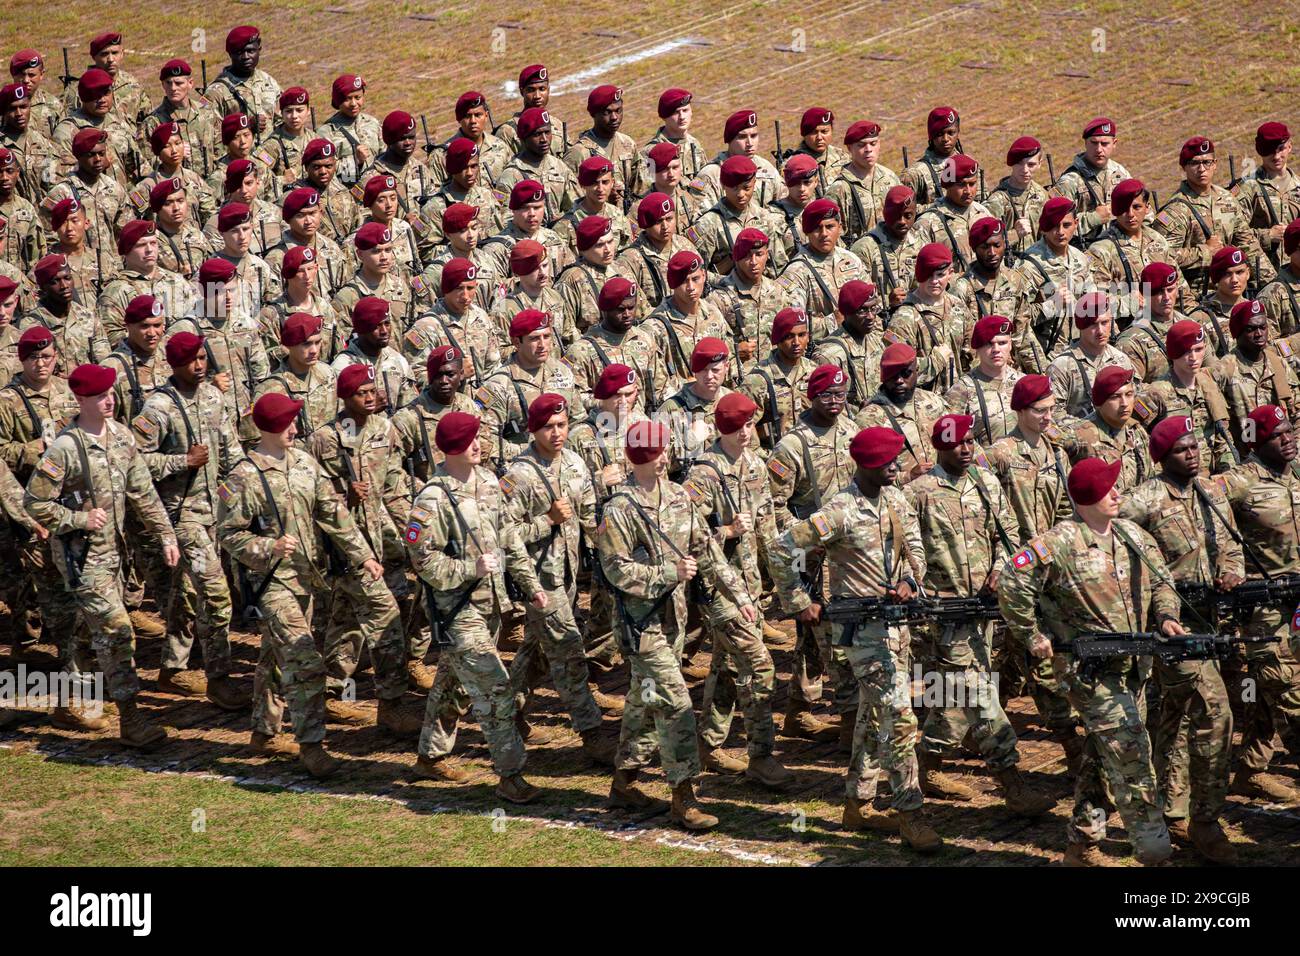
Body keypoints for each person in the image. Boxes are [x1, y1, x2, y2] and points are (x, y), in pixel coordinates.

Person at [767, 426, 942, 851]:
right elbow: (781, 547)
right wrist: (796, 601)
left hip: (896, 627)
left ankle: (858, 802)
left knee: (871, 715)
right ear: (866, 464)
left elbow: (916, 549)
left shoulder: (897, 499)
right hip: (862, 633)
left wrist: (909, 579)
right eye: (888, 461)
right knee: (900, 720)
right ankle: (910, 813)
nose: (897, 467)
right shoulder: (840, 511)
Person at [998, 456, 1178, 866]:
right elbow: (1012, 578)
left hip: (1134, 670)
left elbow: (1163, 581)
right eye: (1107, 488)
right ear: (1085, 498)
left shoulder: (1133, 535)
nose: (1117, 494)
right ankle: (1155, 853)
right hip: (1090, 674)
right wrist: (1031, 634)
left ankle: (1081, 845)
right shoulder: (1060, 542)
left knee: (1102, 760)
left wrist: (1166, 616)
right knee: (1133, 760)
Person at [217, 392, 395, 775]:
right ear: (268, 428)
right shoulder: (244, 476)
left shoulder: (303, 463)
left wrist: (362, 554)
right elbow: (229, 534)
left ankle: (263, 732)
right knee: (304, 657)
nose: (295, 429)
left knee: (275, 655)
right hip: (269, 581)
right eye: (287, 424)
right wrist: (268, 546)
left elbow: (334, 513)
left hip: (304, 577)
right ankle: (311, 744)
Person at [597, 418, 756, 829]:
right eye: (659, 449)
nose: (666, 455)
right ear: (644, 457)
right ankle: (683, 796)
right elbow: (614, 570)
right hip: (640, 624)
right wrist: (666, 574)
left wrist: (738, 596)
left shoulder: (679, 498)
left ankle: (624, 780)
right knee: (676, 703)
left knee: (642, 699)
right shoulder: (620, 508)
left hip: (675, 621)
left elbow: (707, 553)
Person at [904, 413, 1054, 816]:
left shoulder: (986, 484)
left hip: (984, 608)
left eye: (971, 441)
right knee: (978, 692)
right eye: (957, 444)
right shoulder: (918, 492)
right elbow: (906, 550)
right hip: (945, 611)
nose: (967, 449)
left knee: (956, 692)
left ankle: (927, 763)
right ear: (939, 448)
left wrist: (1000, 567)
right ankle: (1013, 785)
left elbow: (1008, 535)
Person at [24, 363, 180, 748]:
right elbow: (35, 501)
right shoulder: (66, 447)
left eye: (110, 394)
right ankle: (131, 718)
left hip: (114, 555)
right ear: (81, 399)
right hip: (82, 559)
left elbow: (143, 493)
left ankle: (67, 698)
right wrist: (77, 518)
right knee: (116, 629)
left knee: (85, 627)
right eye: (99, 396)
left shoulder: (122, 438)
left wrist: (166, 536)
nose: (108, 400)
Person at [405, 411, 548, 802]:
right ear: (452, 447)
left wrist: (530, 584)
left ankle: (430, 757)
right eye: (470, 440)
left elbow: (510, 539)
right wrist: (471, 567)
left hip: (491, 606)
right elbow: (422, 559)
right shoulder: (432, 498)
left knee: (452, 684)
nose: (479, 445)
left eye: (479, 438)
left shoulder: (487, 481)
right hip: (456, 612)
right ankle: (510, 775)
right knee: (497, 689)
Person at [1118, 416, 1241, 864]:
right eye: (1183, 449)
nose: (1194, 454)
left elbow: (1230, 544)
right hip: (1170, 628)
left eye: (1196, 446)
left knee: (1175, 716)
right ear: (1162, 457)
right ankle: (1207, 821)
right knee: (1214, 710)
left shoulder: (1210, 491)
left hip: (1210, 618)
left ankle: (1171, 807)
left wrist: (1233, 571)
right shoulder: (1144, 499)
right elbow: (1113, 539)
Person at [130, 330, 248, 709]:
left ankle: (173, 666)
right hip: (181, 516)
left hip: (215, 510)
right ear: (174, 364)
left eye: (202, 358)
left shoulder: (214, 397)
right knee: (216, 594)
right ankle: (220, 677)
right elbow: (135, 461)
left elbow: (230, 454)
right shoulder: (158, 408)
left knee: (188, 592)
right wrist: (182, 461)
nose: (199, 367)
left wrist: (244, 496)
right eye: (191, 361)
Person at [303, 364, 423, 733]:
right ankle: (391, 705)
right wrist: (345, 496)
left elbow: (393, 486)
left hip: (380, 540)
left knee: (346, 620)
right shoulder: (324, 439)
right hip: (343, 545)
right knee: (385, 619)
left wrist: (412, 534)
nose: (370, 398)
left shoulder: (384, 430)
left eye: (373, 391)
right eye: (361, 393)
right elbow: (310, 496)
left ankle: (332, 689)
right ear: (344, 397)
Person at [684, 392, 794, 787]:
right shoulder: (704, 475)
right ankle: (761, 756)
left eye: (749, 425)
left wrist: (781, 577)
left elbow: (767, 527)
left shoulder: (754, 464)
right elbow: (684, 536)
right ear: (720, 429)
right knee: (760, 666)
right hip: (719, 591)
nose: (745, 433)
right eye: (736, 427)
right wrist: (725, 531)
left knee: (728, 667)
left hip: (751, 586)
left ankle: (707, 745)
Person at [500, 393, 614, 764]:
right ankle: (591, 731)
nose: (557, 433)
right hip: (537, 581)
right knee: (568, 650)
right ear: (533, 430)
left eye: (562, 425)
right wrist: (546, 521)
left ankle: (507, 711)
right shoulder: (519, 476)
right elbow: (503, 534)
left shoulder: (576, 466)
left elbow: (588, 517)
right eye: (548, 427)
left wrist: (608, 550)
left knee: (536, 651)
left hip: (567, 575)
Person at [766, 365, 860, 743]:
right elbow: (774, 505)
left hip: (847, 551)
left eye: (840, 395)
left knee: (815, 635)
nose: (835, 402)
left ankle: (799, 709)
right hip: (810, 553)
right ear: (812, 397)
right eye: (827, 396)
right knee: (826, 632)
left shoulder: (852, 432)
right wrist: (806, 537)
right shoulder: (792, 445)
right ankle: (851, 721)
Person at [1217, 405, 1300, 802]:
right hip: (1264, 612)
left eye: (1290, 431)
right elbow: (1199, 513)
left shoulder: (1296, 473)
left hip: (1298, 604)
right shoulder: (1238, 482)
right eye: (1277, 436)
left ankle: (1250, 768)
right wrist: (1228, 563)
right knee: (1288, 694)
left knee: (1264, 695)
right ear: (1256, 442)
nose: (1288, 439)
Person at [1154, 136, 1274, 293]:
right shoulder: (1175, 210)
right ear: (1184, 167)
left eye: (1207, 162)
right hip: (1195, 296)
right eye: (1194, 163)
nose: (1202, 169)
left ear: (1215, 164)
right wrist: (1204, 252)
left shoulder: (1227, 199)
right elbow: (1161, 257)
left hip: (1232, 289)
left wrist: (1272, 284)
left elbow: (1248, 244)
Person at [1084, 178, 1184, 326]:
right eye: (1124, 208)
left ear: (1147, 208)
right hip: (1128, 331)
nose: (1130, 214)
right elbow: (1094, 304)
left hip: (1165, 323)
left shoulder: (1157, 240)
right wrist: (1128, 302)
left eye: (1136, 207)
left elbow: (1180, 287)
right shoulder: (1101, 251)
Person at [1046, 292, 1134, 419]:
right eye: (1093, 325)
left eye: (1105, 322)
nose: (1100, 331)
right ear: (1081, 327)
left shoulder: (1121, 359)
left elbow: (1132, 401)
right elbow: (1053, 416)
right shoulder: (1062, 366)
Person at [1050, 117, 1131, 246]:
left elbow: (1142, 212)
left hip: (1119, 249)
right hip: (1083, 251)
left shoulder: (1121, 174)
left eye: (1105, 144)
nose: (1099, 149)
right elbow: (1053, 226)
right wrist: (1094, 218)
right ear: (1086, 143)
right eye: (1094, 143)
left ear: (1114, 143)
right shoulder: (1070, 181)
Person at [945, 314, 1024, 444]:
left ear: (1010, 345)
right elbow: (949, 440)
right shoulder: (961, 391)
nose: (996, 350)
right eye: (989, 344)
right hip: (984, 462)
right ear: (978, 349)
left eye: (1002, 343)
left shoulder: (1023, 383)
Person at [139, 59, 220, 180]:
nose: (173, 88)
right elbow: (145, 164)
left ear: (190, 83)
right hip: (174, 190)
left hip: (209, 188)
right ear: (163, 85)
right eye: (168, 83)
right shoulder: (152, 122)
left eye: (179, 83)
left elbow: (222, 153)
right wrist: (172, 156)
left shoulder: (207, 114)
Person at [1235, 122, 1300, 272]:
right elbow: (1233, 234)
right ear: (1260, 151)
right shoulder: (1248, 187)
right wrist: (1268, 235)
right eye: (1269, 151)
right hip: (1261, 277)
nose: (1276, 156)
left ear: (1290, 146)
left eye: (1281, 149)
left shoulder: (1298, 187)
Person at [203, 26, 282, 146]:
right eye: (239, 52)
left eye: (250, 51)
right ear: (230, 54)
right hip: (237, 160)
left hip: (269, 158)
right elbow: (209, 134)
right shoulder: (217, 91)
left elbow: (282, 121)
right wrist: (246, 126)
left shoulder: (269, 81)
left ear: (259, 49)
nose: (246, 57)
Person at [827, 120, 899, 247]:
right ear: (850, 148)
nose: (868, 150)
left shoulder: (890, 177)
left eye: (873, 143)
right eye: (861, 145)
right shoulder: (840, 188)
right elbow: (832, 235)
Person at [983, 136, 1049, 258]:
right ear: (1012, 164)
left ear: (1040, 164)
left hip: (1036, 266)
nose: (1025, 170)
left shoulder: (1042, 195)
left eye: (1031, 164)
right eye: (1019, 164)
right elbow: (982, 242)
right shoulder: (997, 201)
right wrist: (1014, 234)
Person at [902, 106, 962, 209]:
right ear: (931, 136)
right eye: (939, 134)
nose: (946, 139)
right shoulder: (915, 174)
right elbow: (903, 210)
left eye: (951, 133)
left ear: (958, 132)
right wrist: (939, 208)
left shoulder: (968, 165)